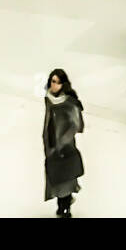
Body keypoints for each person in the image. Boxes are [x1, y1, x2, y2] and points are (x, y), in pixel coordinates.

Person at [43, 69, 84, 218]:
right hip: (51, 144)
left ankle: (64, 206)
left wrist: (63, 141)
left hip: (65, 147)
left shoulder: (69, 102)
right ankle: (63, 204)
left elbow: (76, 125)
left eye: (58, 82)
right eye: (53, 81)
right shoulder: (48, 98)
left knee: (65, 177)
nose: (55, 85)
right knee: (56, 175)